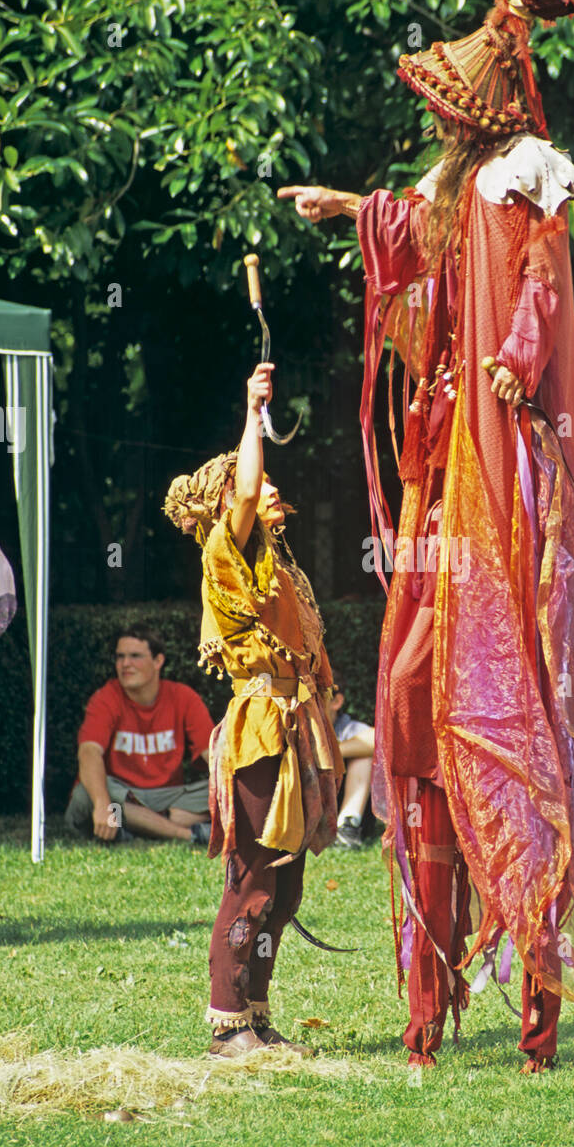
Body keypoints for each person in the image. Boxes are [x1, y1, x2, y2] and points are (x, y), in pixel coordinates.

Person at [279, 0, 574, 1071]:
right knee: (416, 704)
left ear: (485, 111)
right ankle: (426, 1015)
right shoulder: (450, 183)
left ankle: (527, 1016)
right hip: (443, 460)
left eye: (446, 107)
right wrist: (344, 206)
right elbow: (415, 238)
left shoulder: (521, 174)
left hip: (495, 458)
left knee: (499, 690)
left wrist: (518, 361)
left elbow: (541, 281)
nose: (435, 120)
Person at [164, 364, 343, 1057]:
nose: (270, 488)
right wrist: (251, 406)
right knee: (252, 882)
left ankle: (257, 1016)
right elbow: (243, 486)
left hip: (296, 729)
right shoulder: (224, 549)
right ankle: (226, 1023)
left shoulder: (277, 565)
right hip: (260, 731)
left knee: (286, 885)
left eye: (268, 480)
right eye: (258, 482)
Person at [64, 626, 213, 845]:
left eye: (135, 656)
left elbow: (213, 754)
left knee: (224, 789)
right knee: (85, 796)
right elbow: (89, 752)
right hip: (121, 798)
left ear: (158, 661)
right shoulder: (106, 698)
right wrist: (103, 803)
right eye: (120, 657)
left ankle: (141, 828)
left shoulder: (183, 697)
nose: (125, 664)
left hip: (167, 797)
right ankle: (189, 835)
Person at [329, 672, 375, 850]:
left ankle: (348, 826)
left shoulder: (349, 729)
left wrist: (328, 754)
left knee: (362, 755)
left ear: (336, 702)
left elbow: (377, 740)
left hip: (346, 808)